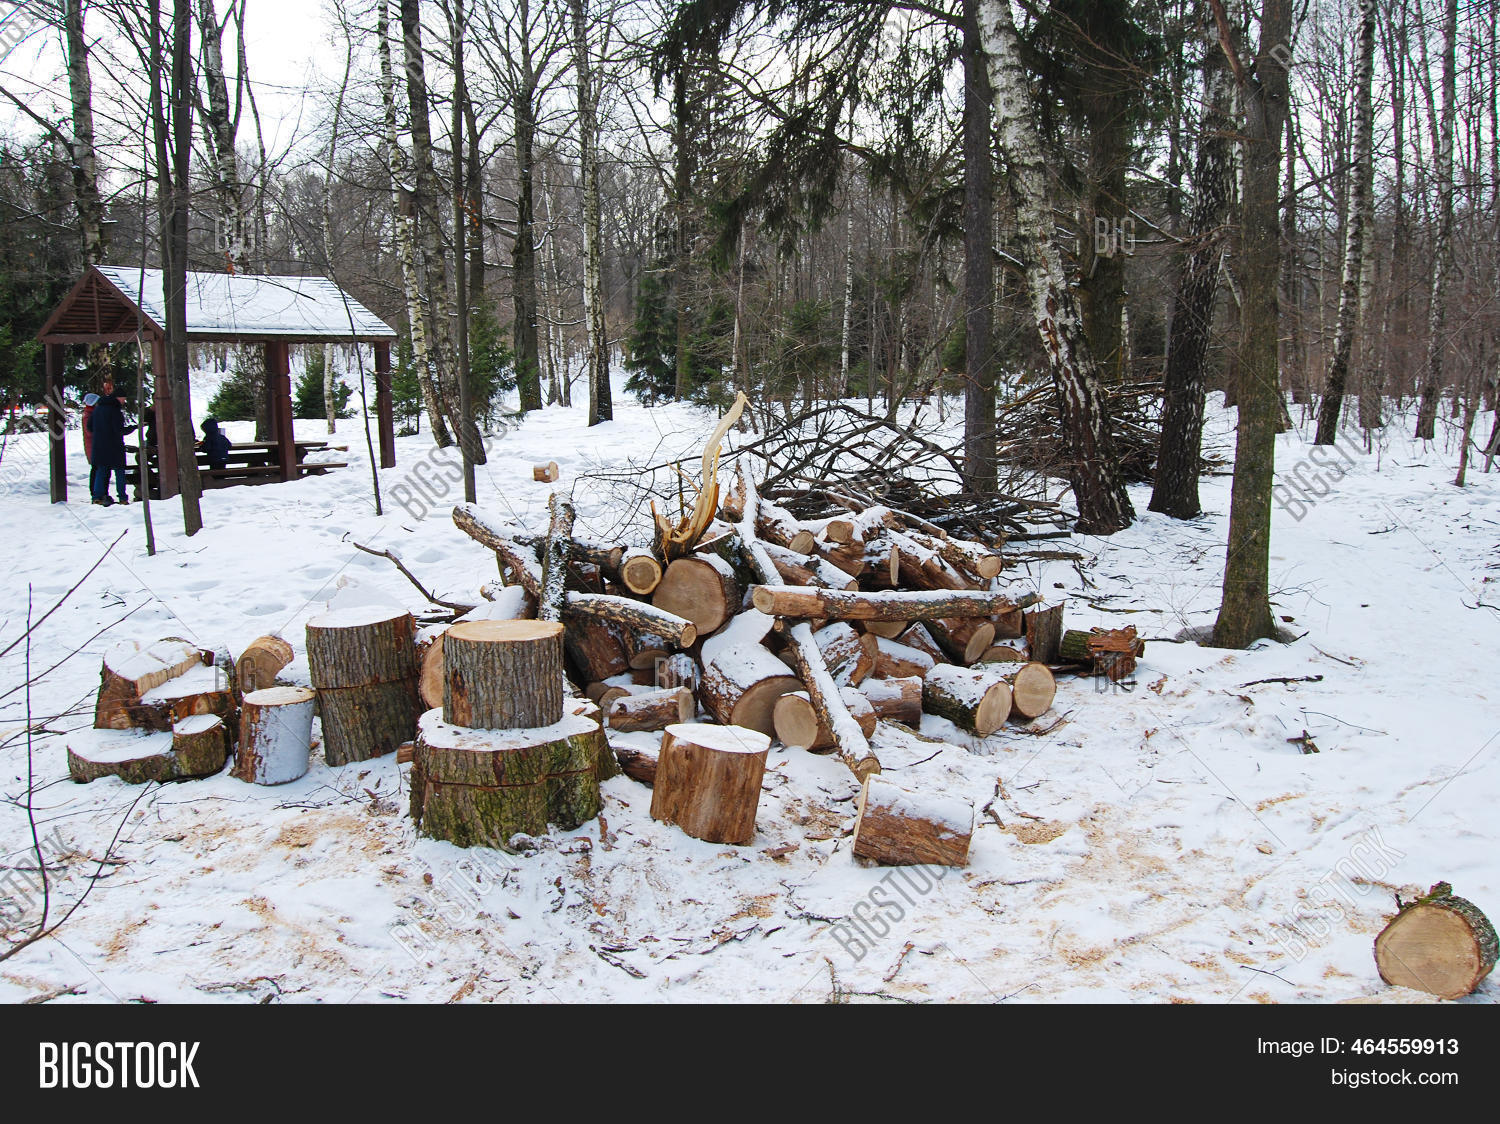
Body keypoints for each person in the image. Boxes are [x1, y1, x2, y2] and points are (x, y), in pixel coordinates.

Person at [88, 378, 129, 506]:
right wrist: (134, 428)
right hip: (114, 446)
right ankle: (122, 497)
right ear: (118, 398)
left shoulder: (97, 409)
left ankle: (97, 496)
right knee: (119, 471)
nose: (124, 401)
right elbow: (119, 430)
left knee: (101, 471)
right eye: (123, 399)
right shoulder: (115, 411)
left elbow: (90, 427)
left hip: (99, 446)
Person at [81, 392, 99, 466]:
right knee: (96, 469)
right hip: (93, 446)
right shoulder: (89, 415)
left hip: (94, 446)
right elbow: (89, 432)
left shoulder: (91, 413)